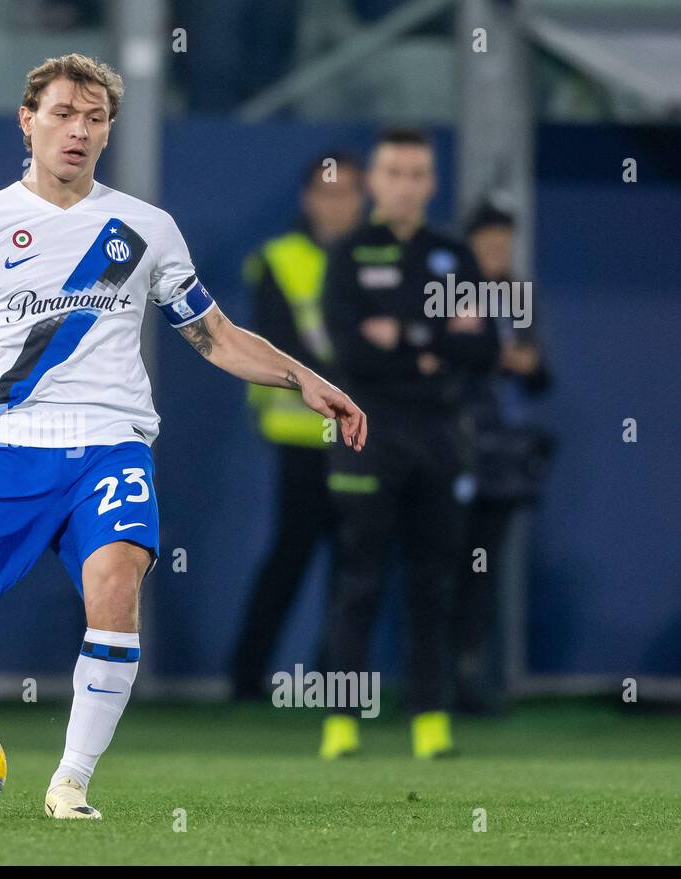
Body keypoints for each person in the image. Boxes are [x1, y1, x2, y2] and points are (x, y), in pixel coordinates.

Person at [0, 53, 367, 819]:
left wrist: (302, 377)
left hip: (112, 445)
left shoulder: (144, 228)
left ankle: (70, 781)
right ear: (28, 121)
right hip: (9, 445)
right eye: (62, 114)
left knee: (115, 589)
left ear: (108, 131)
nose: (78, 131)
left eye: (94, 119)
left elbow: (214, 335)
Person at [319, 128, 499, 760]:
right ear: (373, 179)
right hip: (368, 432)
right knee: (358, 579)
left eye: (418, 173)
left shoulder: (454, 253)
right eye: (394, 171)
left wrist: (404, 335)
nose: (405, 184)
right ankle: (341, 724)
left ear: (432, 182)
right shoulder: (348, 253)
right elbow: (347, 350)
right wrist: (434, 338)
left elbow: (486, 347)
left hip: (439, 435)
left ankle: (431, 723)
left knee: (433, 582)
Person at [230, 151, 364, 699]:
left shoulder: (377, 257)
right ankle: (245, 677)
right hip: (302, 438)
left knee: (356, 562)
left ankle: (336, 679)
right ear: (309, 199)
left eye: (350, 193)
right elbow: (281, 346)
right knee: (292, 554)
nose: (339, 205)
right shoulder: (279, 260)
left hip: (362, 438)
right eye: (329, 193)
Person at [452, 201, 552, 714]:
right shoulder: (445, 294)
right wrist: (493, 356)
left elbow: (539, 376)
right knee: (439, 566)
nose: (497, 254)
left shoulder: (518, 297)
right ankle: (432, 682)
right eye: (487, 244)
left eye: (504, 245)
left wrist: (524, 363)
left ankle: (470, 675)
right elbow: (441, 364)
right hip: (456, 453)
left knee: (482, 569)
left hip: (506, 458)